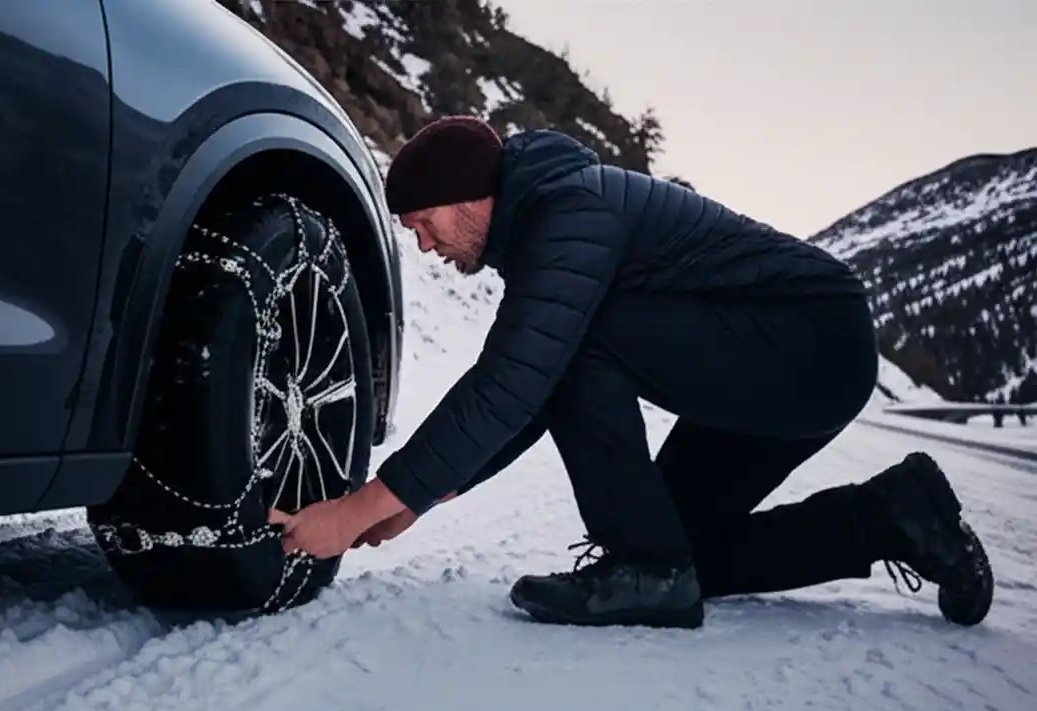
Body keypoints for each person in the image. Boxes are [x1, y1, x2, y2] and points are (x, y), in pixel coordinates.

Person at [270, 116, 993, 629]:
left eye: (423, 222)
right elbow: (532, 390)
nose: (423, 244)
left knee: (586, 365)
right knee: (686, 549)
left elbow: (517, 377)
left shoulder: (571, 209)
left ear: (468, 197)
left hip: (809, 342)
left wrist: (361, 505)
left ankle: (646, 565)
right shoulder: (551, 221)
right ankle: (898, 516)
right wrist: (417, 498)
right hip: (780, 359)